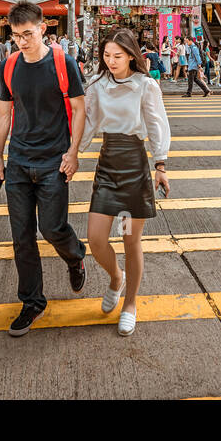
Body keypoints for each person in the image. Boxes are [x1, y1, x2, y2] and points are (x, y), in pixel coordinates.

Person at [0, 1, 89, 337]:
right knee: (22, 237)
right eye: (16, 35)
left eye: (28, 34)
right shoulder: (9, 66)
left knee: (51, 227)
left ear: (43, 28)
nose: (22, 41)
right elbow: (4, 114)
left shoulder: (64, 64)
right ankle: (32, 302)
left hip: (53, 161)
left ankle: (75, 255)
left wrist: (73, 152)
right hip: (18, 162)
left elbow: (79, 110)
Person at [83, 29, 171, 336]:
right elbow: (89, 123)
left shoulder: (146, 85)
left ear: (132, 56)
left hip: (134, 168)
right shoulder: (97, 85)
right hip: (107, 165)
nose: (111, 61)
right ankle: (116, 278)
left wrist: (160, 164)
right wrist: (72, 152)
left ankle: (130, 303)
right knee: (95, 238)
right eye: (106, 56)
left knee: (130, 240)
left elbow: (157, 124)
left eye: (117, 56)